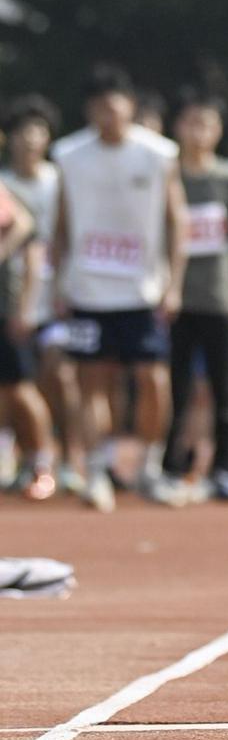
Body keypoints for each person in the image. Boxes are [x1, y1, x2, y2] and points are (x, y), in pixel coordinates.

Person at [50, 65, 187, 510]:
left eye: (116, 103)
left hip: (143, 289)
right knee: (92, 382)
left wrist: (174, 282)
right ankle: (96, 471)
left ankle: (147, 468)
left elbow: (176, 219)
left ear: (130, 105)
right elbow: (61, 224)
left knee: (153, 378)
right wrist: (58, 282)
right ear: (89, 110)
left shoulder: (159, 154)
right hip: (88, 288)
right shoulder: (69, 155)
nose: (109, 113)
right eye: (99, 105)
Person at [160, 91, 228, 503]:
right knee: (177, 387)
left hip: (220, 296)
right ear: (178, 128)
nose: (199, 132)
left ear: (219, 131)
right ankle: (172, 465)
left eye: (207, 123)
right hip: (175, 300)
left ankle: (225, 468)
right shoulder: (168, 176)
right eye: (191, 122)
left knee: (226, 387)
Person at [0, 95, 75, 493]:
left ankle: (63, 460)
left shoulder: (60, 180)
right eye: (21, 131)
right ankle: (20, 458)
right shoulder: (5, 182)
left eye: (38, 131)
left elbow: (33, 236)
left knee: (58, 379)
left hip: (55, 296)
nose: (30, 139)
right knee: (14, 385)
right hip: (13, 298)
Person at [0, 176, 56, 499]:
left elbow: (22, 224)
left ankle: (42, 465)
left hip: (4, 307)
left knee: (20, 388)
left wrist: (24, 308)